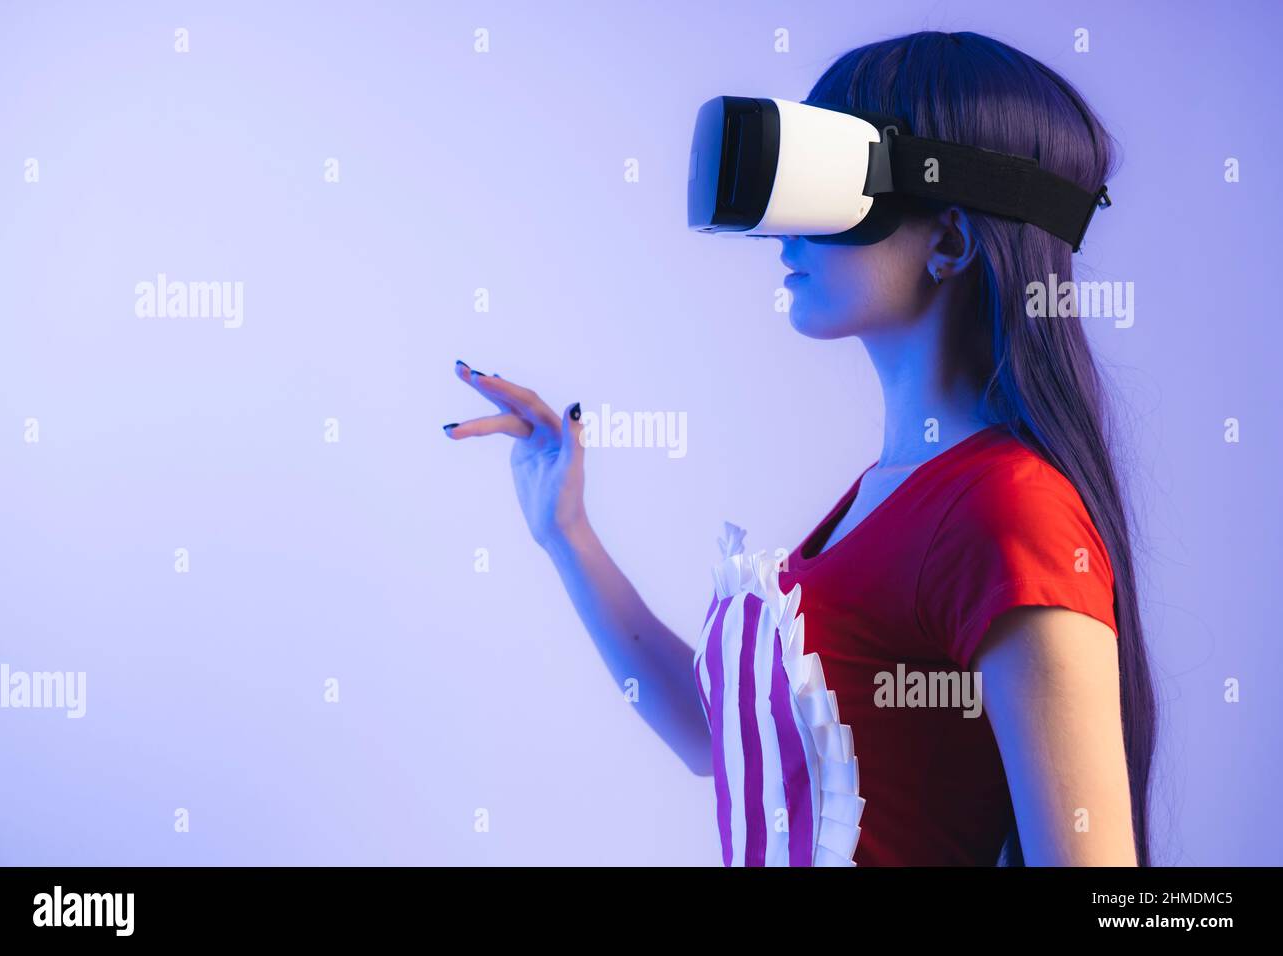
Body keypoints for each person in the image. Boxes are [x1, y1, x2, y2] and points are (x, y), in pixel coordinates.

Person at [443, 30, 1156, 867]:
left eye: (831, 196)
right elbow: (732, 747)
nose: (783, 238)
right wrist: (568, 534)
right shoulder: (889, 494)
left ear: (952, 242)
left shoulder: (1009, 507)